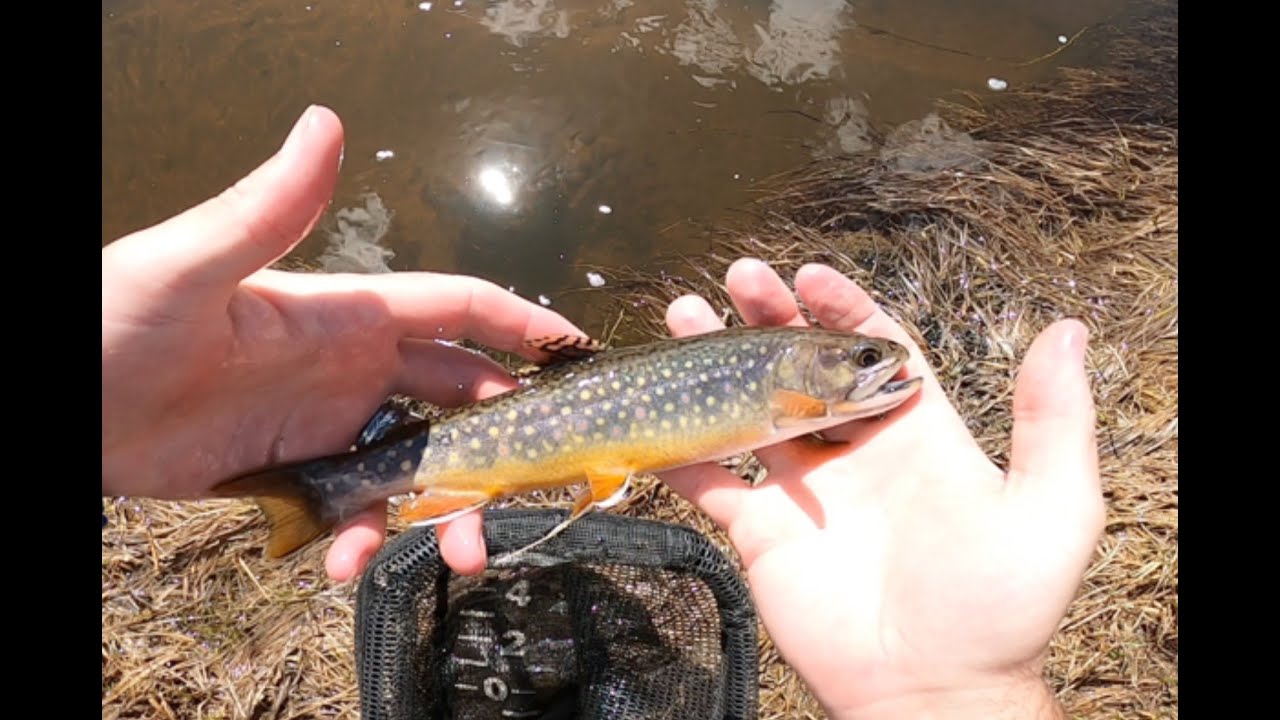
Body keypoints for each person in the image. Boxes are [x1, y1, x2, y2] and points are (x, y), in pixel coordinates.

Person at [103, 105, 1103, 719]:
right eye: (862, 364)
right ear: (808, 373)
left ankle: (327, 491)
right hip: (547, 435)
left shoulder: (793, 392)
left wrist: (949, 697)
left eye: (870, 365)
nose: (883, 373)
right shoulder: (790, 391)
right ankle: (322, 493)